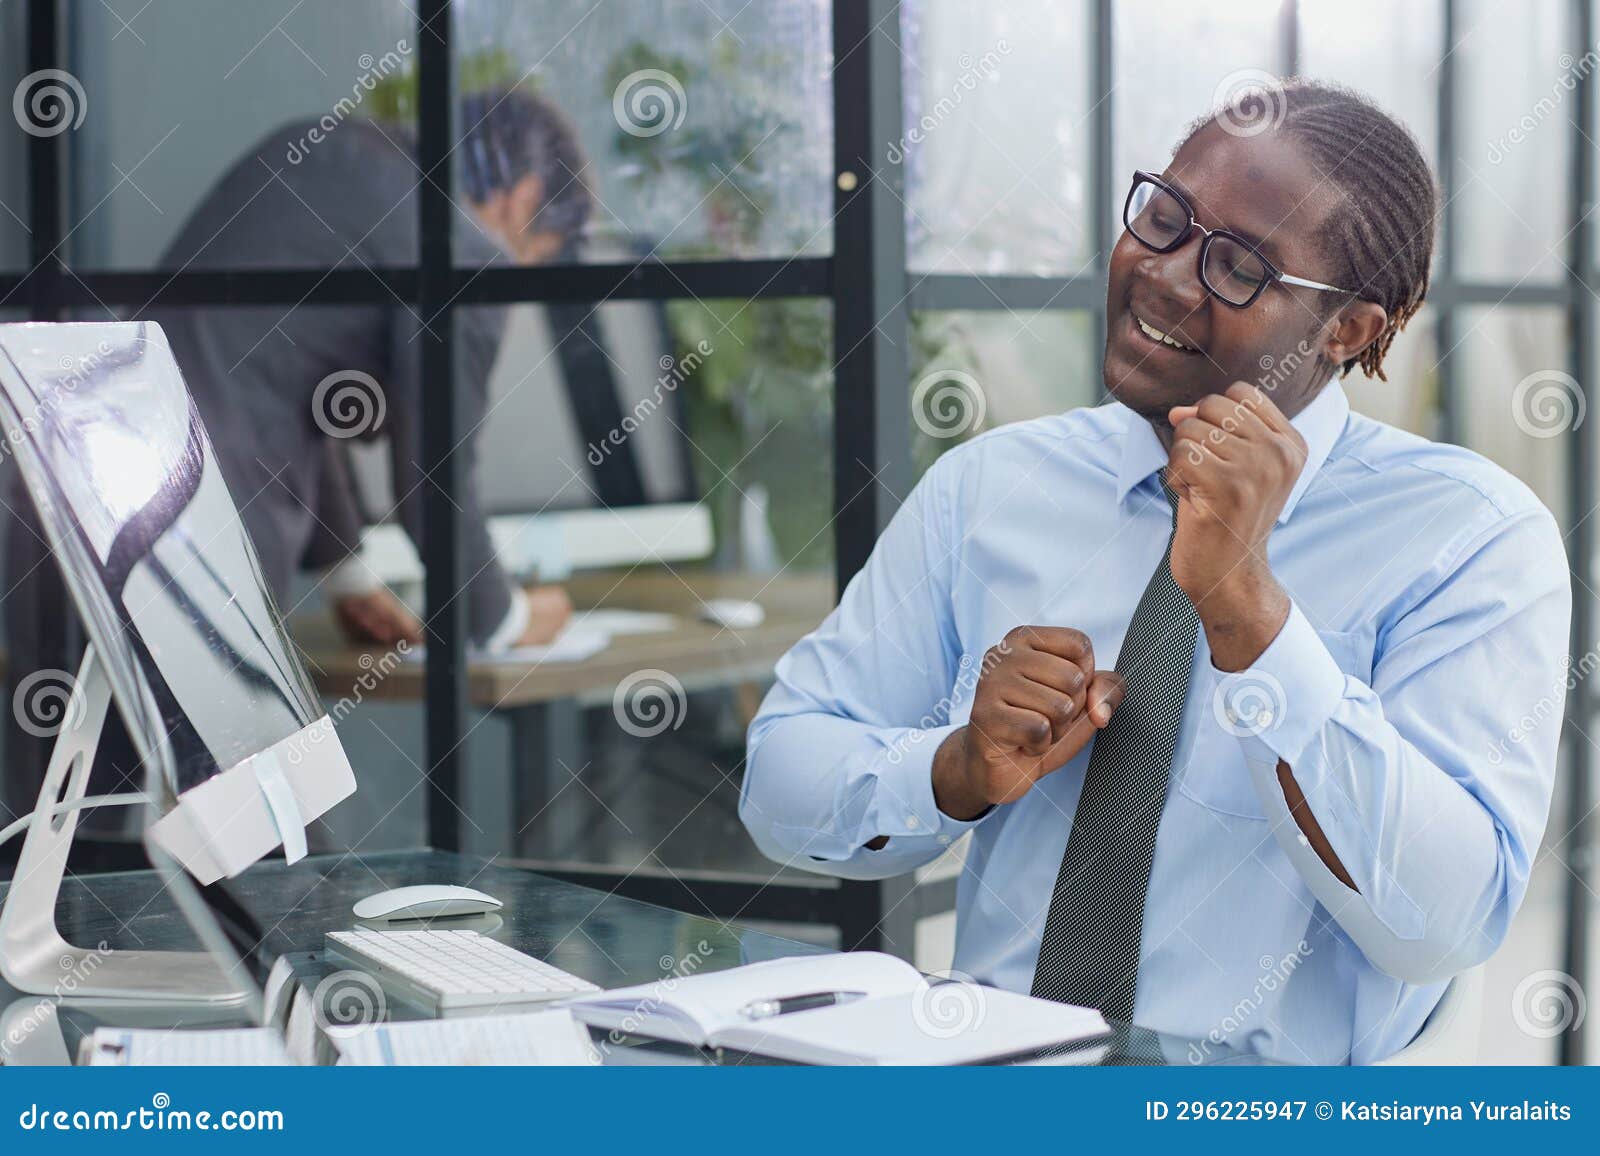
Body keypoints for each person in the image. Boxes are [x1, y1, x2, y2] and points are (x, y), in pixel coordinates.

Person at [741, 80, 1571, 1063]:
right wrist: (954, 768)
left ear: (1346, 329)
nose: (1167, 276)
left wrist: (1250, 616)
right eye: (1165, 218)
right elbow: (779, 782)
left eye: (1238, 266)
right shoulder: (991, 487)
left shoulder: (1465, 536)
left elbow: (1446, 921)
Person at [150, 85, 587, 652]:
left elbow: (285, 376)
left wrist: (346, 571)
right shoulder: (463, 252)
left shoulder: (327, 147)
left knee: (67, 733)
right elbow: (437, 473)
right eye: (537, 255)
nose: (519, 277)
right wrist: (504, 619)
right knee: (197, 738)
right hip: (207, 529)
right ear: (521, 201)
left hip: (86, 470)